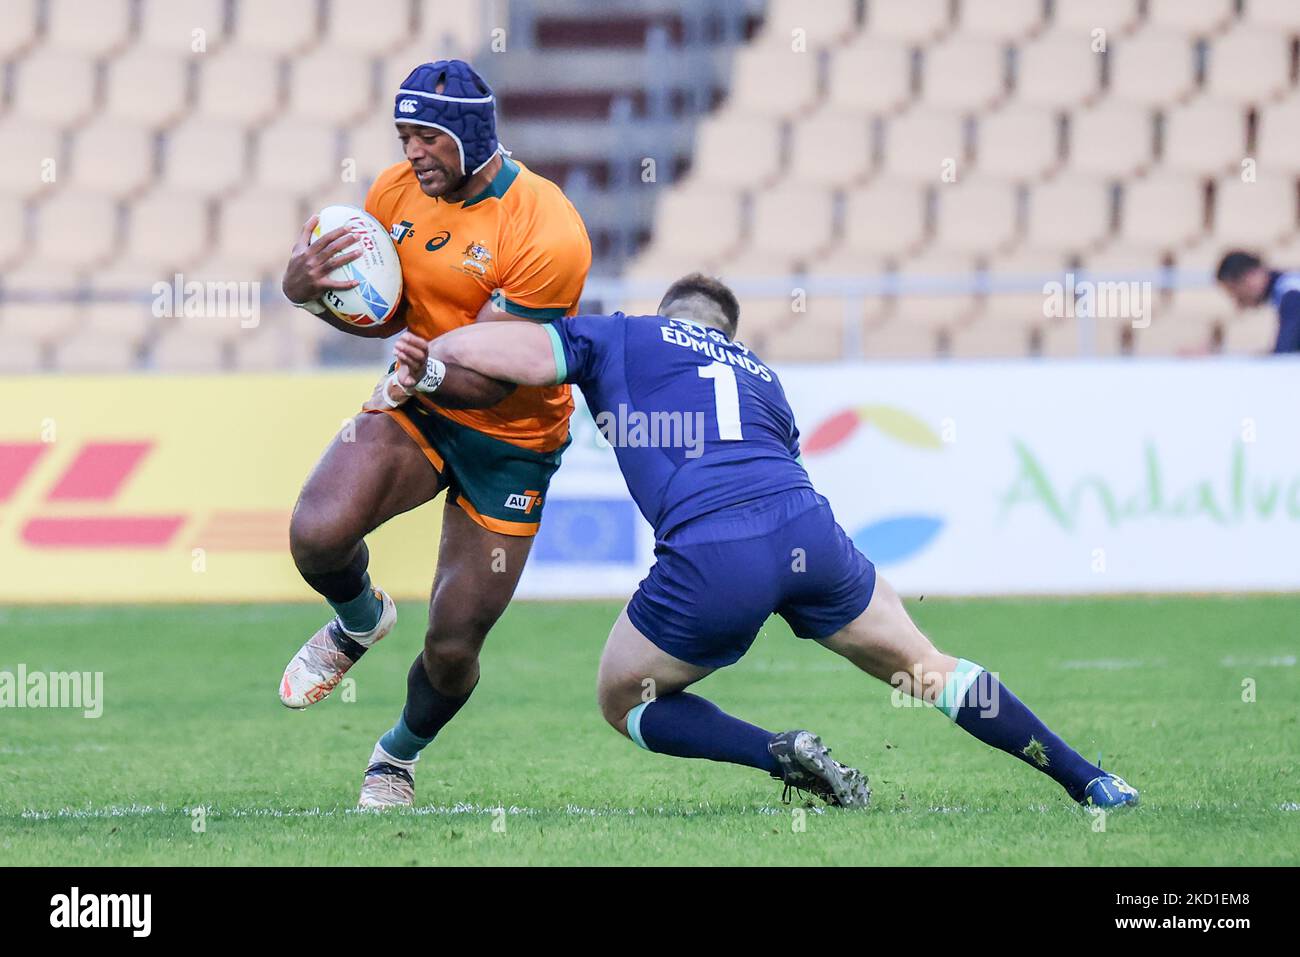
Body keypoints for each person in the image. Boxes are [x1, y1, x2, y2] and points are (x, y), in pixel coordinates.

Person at [377, 273, 1140, 810]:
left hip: (713, 551)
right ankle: (1090, 779)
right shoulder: (765, 377)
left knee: (623, 694)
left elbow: (519, 351)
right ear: (727, 333)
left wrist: (434, 358)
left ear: (667, 312)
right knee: (927, 668)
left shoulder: (622, 334)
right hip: (808, 531)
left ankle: (774, 750)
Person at [277, 59, 592, 809]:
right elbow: (384, 311)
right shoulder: (393, 193)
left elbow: (504, 370)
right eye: (404, 135)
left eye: (427, 136)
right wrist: (310, 294)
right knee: (316, 534)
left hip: (513, 435)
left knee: (453, 648)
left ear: (473, 136)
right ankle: (360, 619)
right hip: (421, 405)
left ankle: (395, 755)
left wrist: (427, 371)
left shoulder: (547, 227)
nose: (412, 152)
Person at [1215, 250, 1300, 353]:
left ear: (1251, 276)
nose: (1238, 302)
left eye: (1235, 291)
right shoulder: (1286, 290)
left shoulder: (1291, 294)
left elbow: (1285, 352)